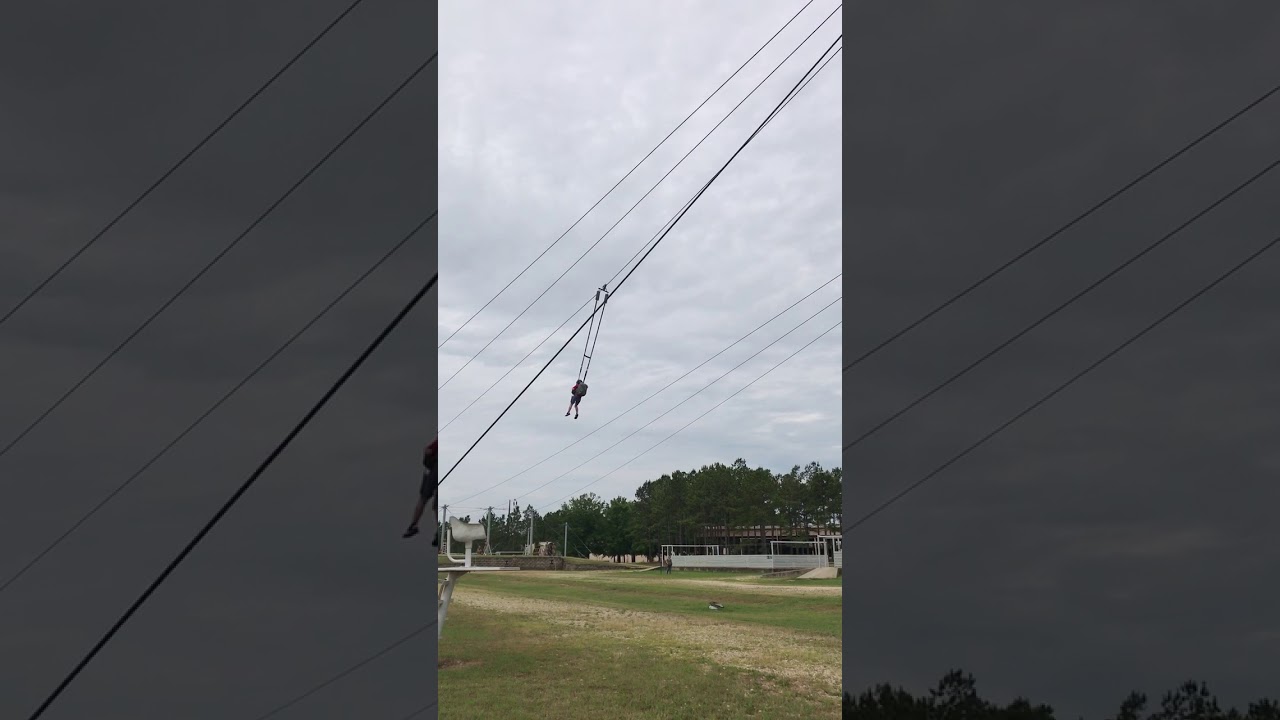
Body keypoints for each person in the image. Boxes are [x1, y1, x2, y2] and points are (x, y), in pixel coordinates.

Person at [403, 438, 438, 543]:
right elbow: (429, 450)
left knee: (426, 500)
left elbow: (428, 450)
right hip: (436, 469)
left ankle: (414, 525)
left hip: (435, 469)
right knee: (431, 502)